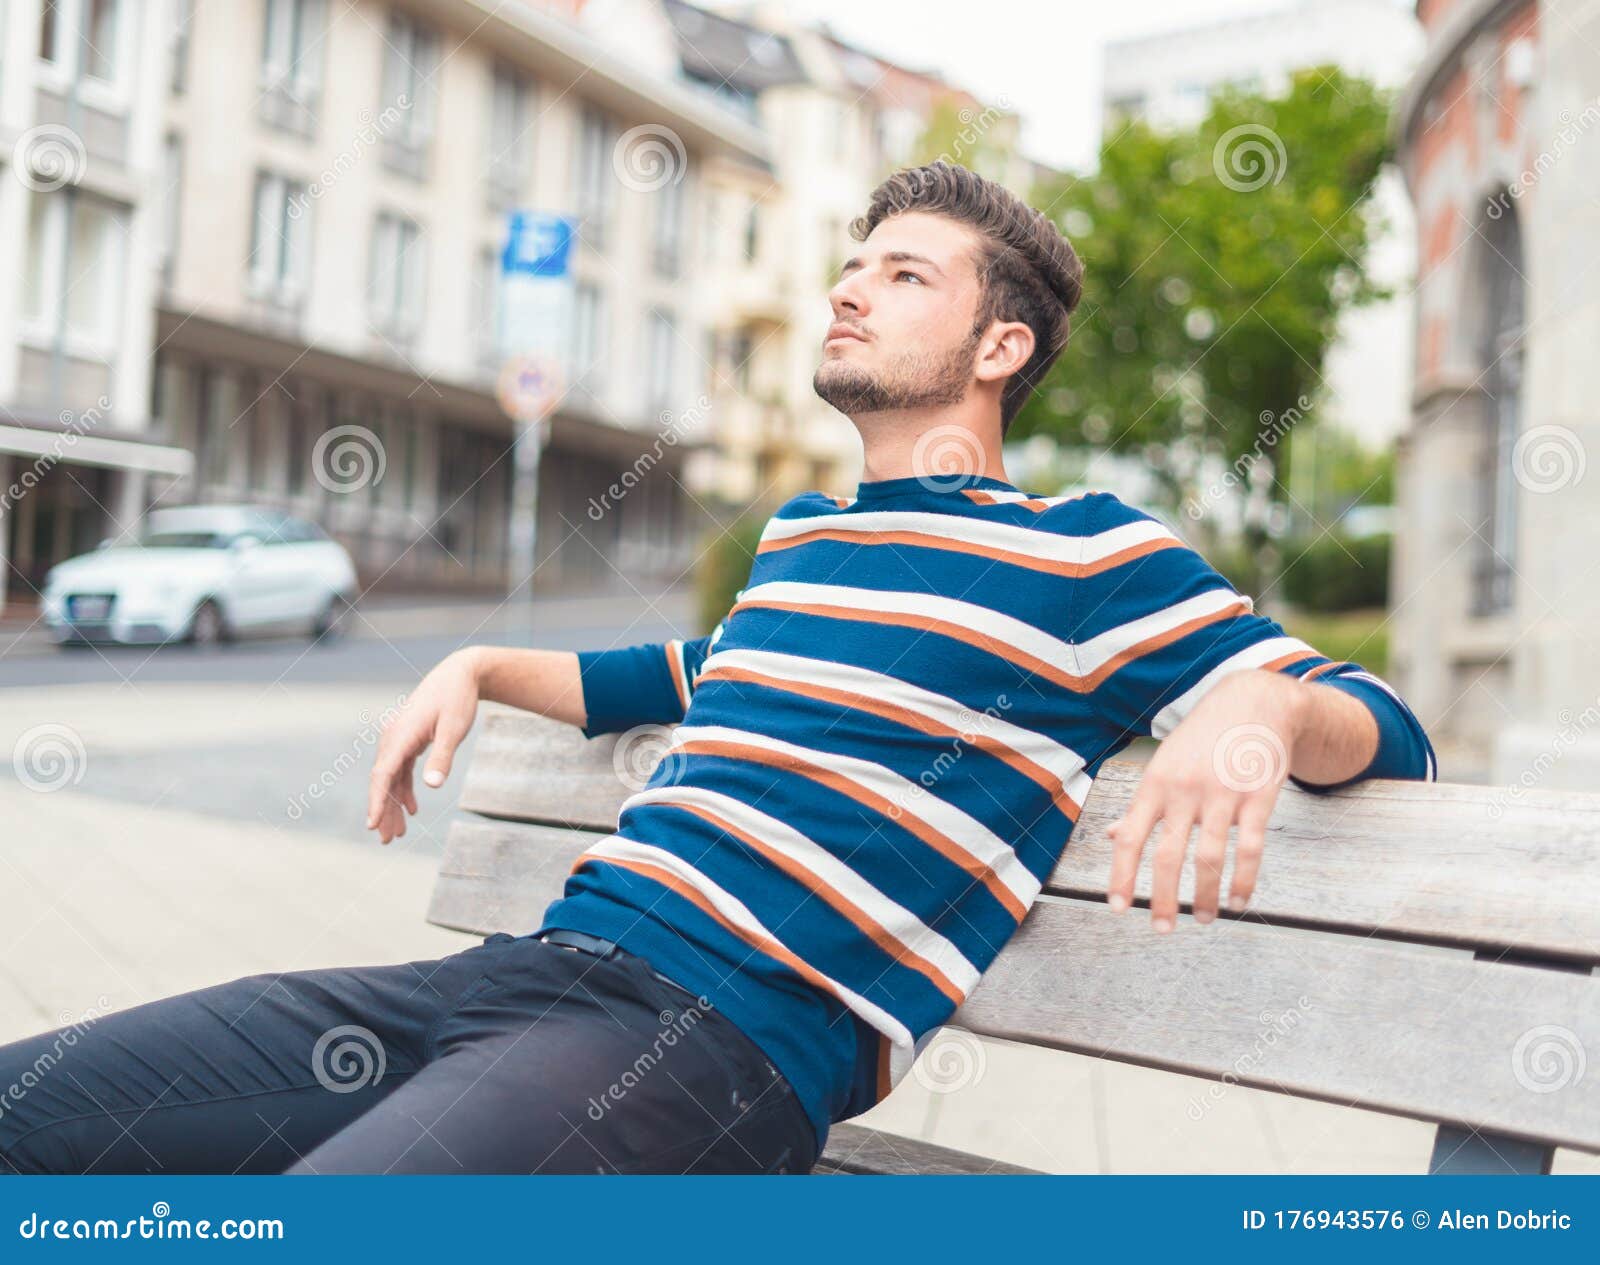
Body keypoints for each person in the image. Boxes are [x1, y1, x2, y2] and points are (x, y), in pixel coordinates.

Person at [0, 161, 1435, 1175]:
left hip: (718, 1046)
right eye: (853, 266)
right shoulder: (803, 540)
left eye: (903, 274)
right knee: (34, 1117)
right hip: (523, 981)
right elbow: (692, 669)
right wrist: (486, 660)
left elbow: (1383, 727)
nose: (848, 293)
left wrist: (1251, 699)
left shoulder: (1086, 557)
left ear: (1003, 344)